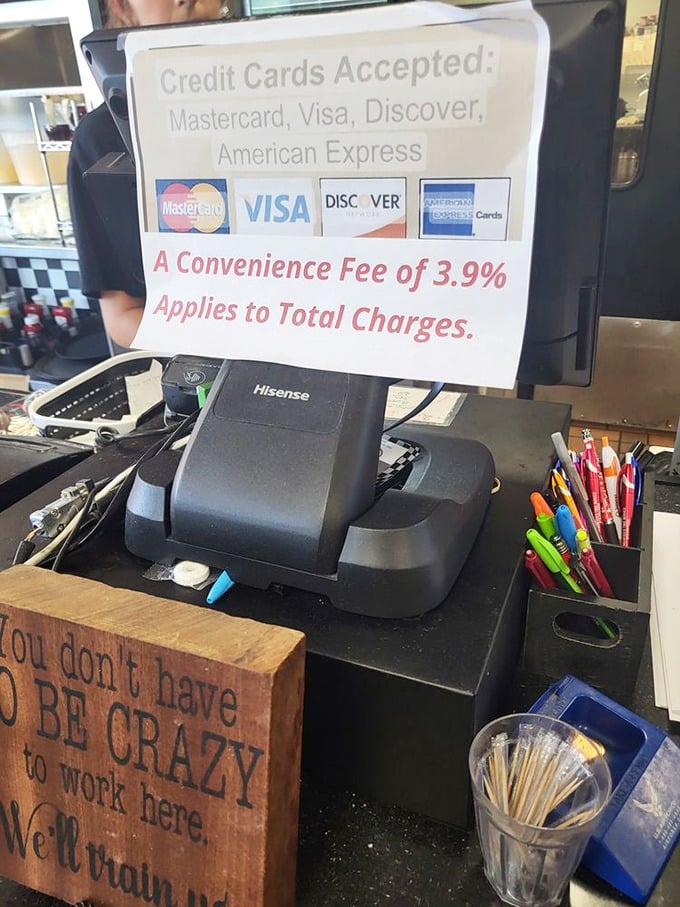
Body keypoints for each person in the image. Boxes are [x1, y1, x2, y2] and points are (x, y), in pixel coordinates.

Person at [68, 0, 223, 348]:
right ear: (122, 6)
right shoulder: (100, 140)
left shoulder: (271, 111)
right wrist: (237, 340)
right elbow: (123, 315)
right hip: (197, 372)